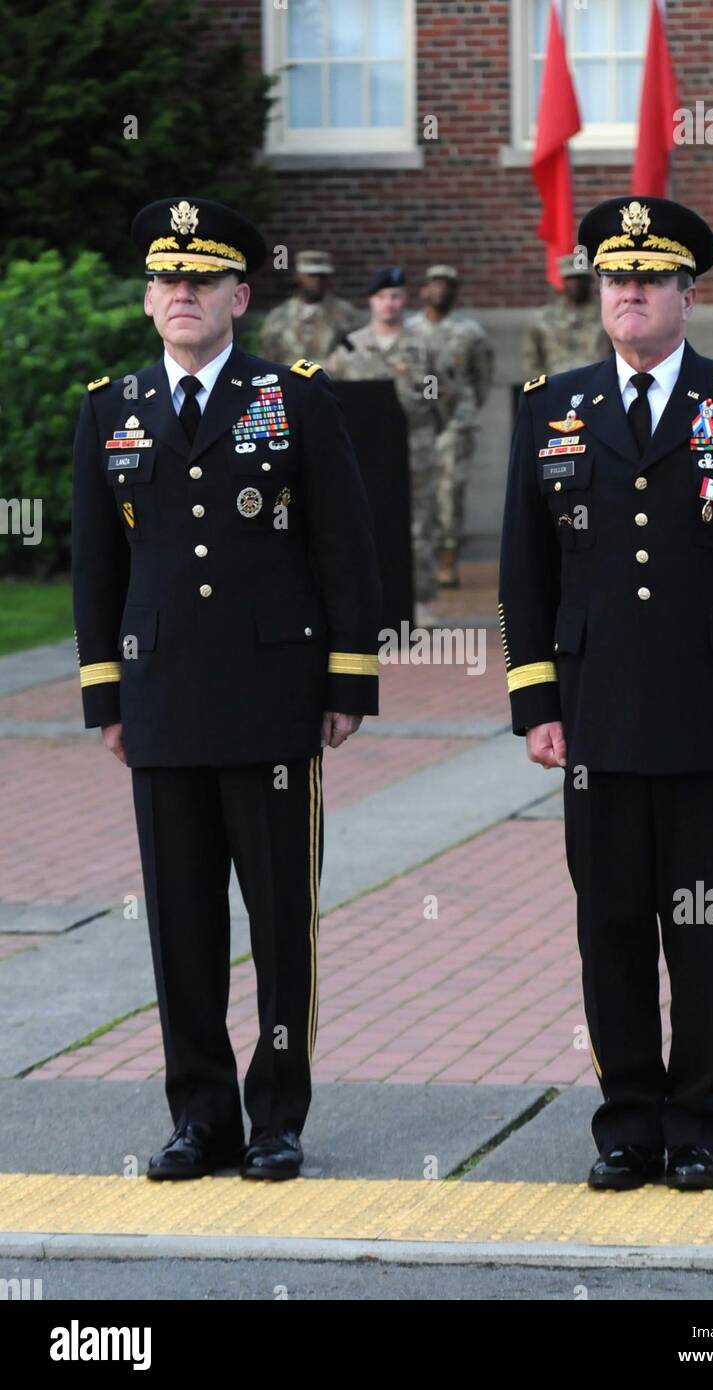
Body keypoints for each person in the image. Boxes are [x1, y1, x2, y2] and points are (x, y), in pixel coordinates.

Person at [498, 196, 713, 1192]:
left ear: (688, 293)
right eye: (613, 277)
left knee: (703, 936)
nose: (629, 291)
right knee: (608, 932)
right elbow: (523, 573)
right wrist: (535, 702)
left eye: (648, 278)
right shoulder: (550, 407)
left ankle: (695, 1130)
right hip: (594, 718)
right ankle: (626, 1128)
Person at [71, 196, 382, 1182]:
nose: (183, 294)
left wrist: (347, 677)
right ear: (147, 298)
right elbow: (96, 567)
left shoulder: (292, 397)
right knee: (181, 925)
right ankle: (198, 1117)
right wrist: (105, 696)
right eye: (167, 279)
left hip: (271, 697)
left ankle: (275, 1117)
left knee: (280, 923)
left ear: (239, 297)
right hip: (161, 699)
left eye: (202, 280)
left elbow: (345, 544)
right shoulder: (111, 407)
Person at [327, 267, 450, 621]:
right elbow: (331, 395)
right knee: (364, 523)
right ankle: (369, 600)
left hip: (415, 446)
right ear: (371, 301)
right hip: (365, 453)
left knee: (420, 524)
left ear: (405, 299)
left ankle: (419, 600)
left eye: (395, 296)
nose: (389, 304)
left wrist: (429, 424)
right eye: (382, 297)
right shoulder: (350, 346)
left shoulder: (424, 344)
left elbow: (444, 392)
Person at [408, 265, 494, 588]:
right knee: (417, 492)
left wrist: (465, 411)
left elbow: (483, 376)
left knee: (450, 491)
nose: (441, 289)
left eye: (449, 285)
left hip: (455, 425)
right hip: (416, 424)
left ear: (456, 293)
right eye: (436, 283)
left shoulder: (469, 332)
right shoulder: (408, 330)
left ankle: (448, 556)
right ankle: (419, 558)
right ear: (424, 290)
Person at [259, 249, 364, 364]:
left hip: (330, 374)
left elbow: (357, 356)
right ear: (298, 276)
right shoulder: (280, 315)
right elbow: (267, 357)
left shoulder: (346, 315)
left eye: (322, 276)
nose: (317, 280)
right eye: (311, 275)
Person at [522, 255, 610, 379]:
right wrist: (540, 386)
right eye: (570, 279)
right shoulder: (544, 318)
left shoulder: (607, 314)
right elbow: (531, 359)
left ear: (590, 280)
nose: (575, 284)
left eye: (580, 278)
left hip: (598, 381)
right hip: (556, 382)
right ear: (563, 281)